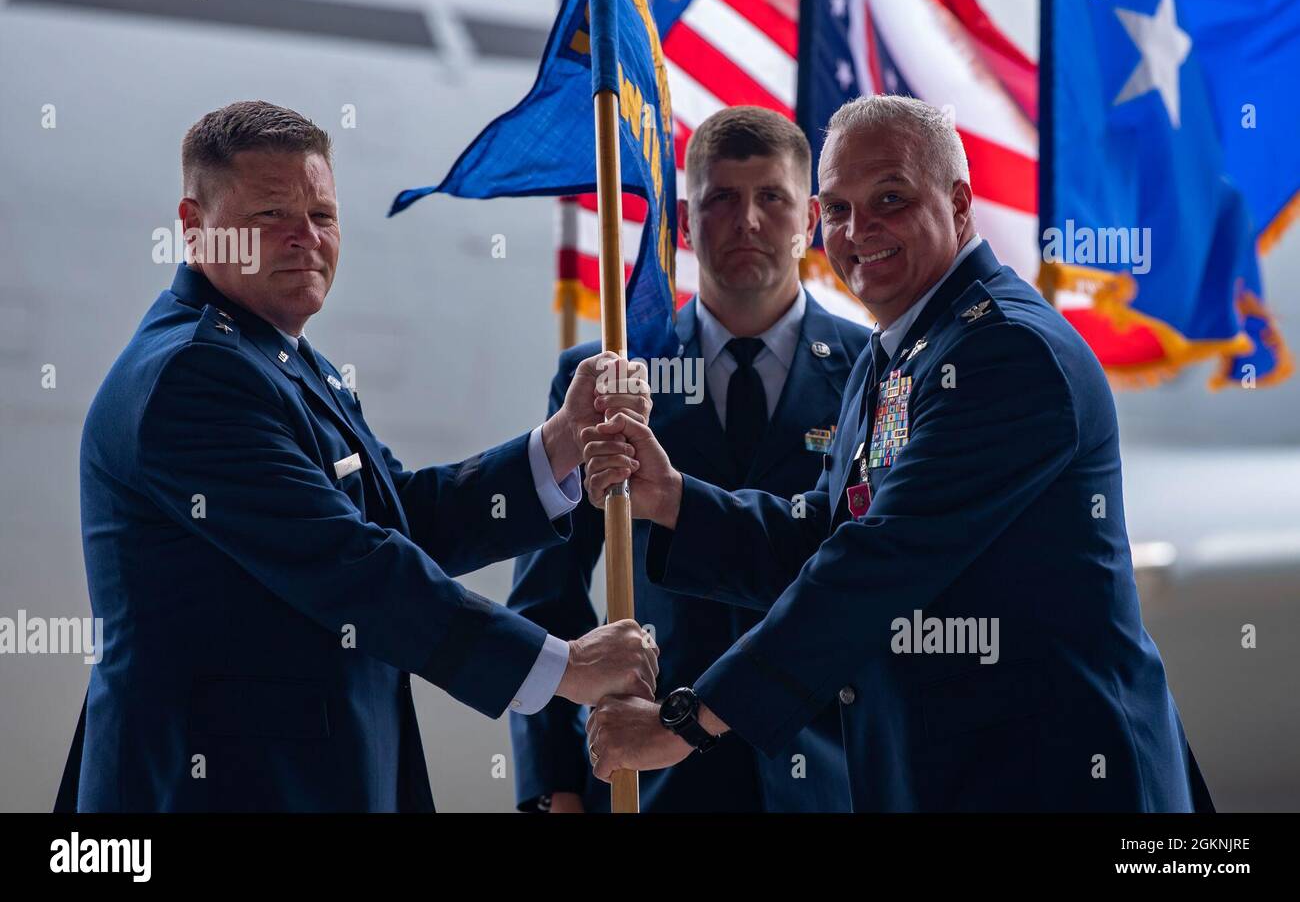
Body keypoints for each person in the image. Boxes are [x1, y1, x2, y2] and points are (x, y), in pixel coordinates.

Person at [580, 94, 1215, 812]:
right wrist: (673, 500)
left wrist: (685, 723)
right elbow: (826, 533)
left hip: (1053, 777)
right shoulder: (899, 349)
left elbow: (874, 566)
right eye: (840, 209)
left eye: (890, 198)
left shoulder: (1005, 350)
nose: (859, 231)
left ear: (961, 204)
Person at [57, 100, 657, 812]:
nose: (303, 238)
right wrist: (563, 666)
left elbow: (398, 519)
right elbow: (351, 566)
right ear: (193, 229)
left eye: (322, 215)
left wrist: (560, 442)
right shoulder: (193, 376)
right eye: (268, 218)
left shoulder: (280, 358)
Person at [508, 107, 866, 812]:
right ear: (682, 222)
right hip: (650, 778)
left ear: (811, 220)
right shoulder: (606, 378)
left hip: (831, 777)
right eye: (721, 199)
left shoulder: (871, 372)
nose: (748, 221)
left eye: (772, 198)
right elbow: (545, 598)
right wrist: (552, 790)